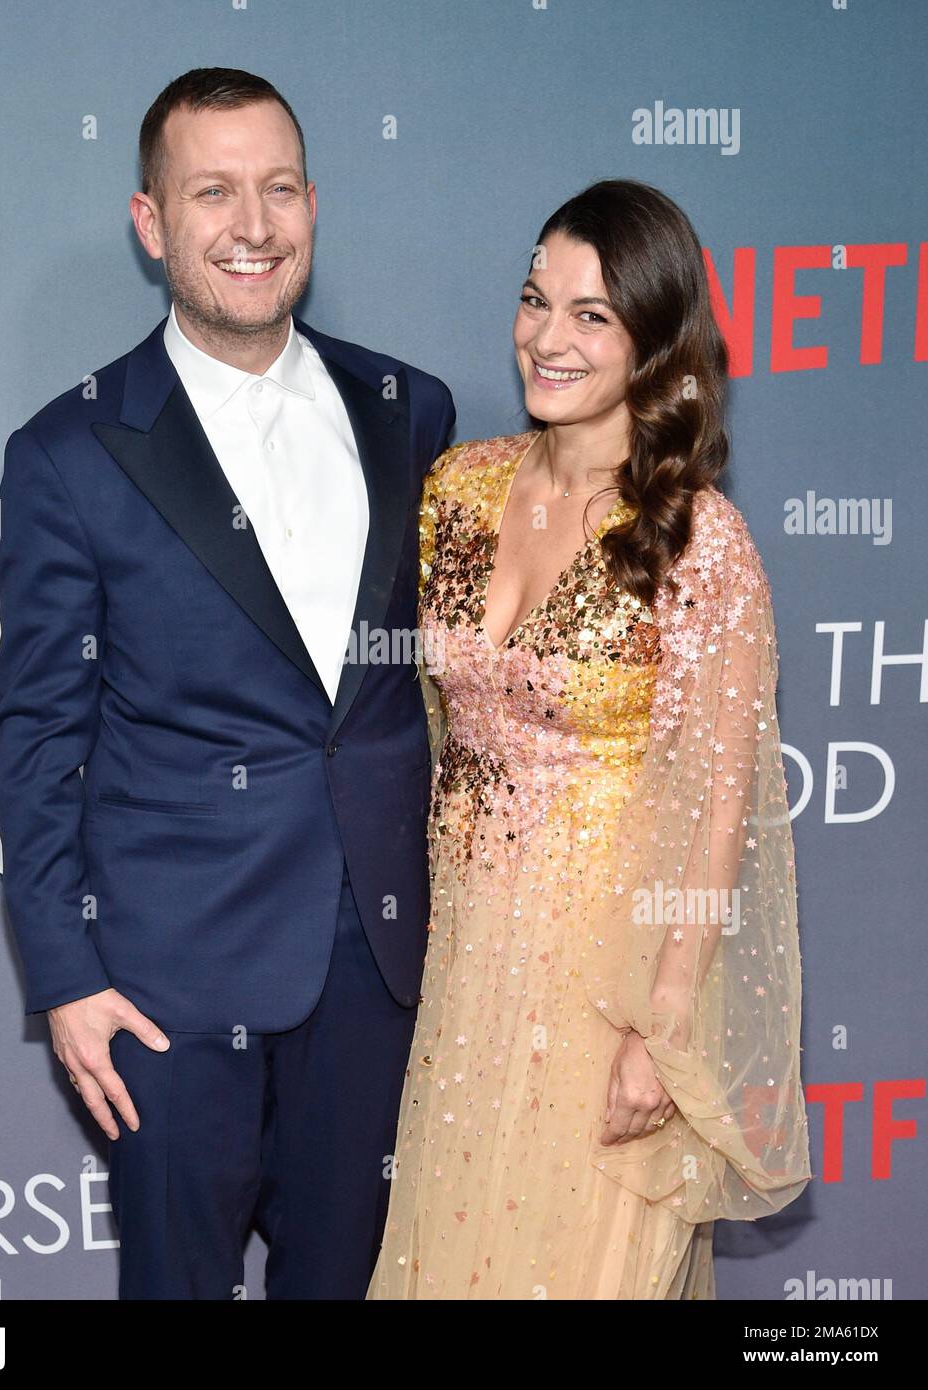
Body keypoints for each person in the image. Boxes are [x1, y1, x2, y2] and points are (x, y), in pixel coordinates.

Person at [0, 67, 455, 1299]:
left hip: (375, 962)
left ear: (314, 202)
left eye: (278, 188)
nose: (252, 224)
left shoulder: (411, 410)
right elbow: (37, 734)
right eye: (213, 192)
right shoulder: (69, 450)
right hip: (165, 983)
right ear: (152, 223)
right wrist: (66, 978)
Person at [367, 179, 812, 1300]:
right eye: (534, 299)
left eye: (591, 315)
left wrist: (661, 1028)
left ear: (655, 342)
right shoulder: (456, 491)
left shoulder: (700, 542)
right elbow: (437, 738)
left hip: (607, 990)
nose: (546, 338)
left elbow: (721, 813)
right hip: (468, 982)